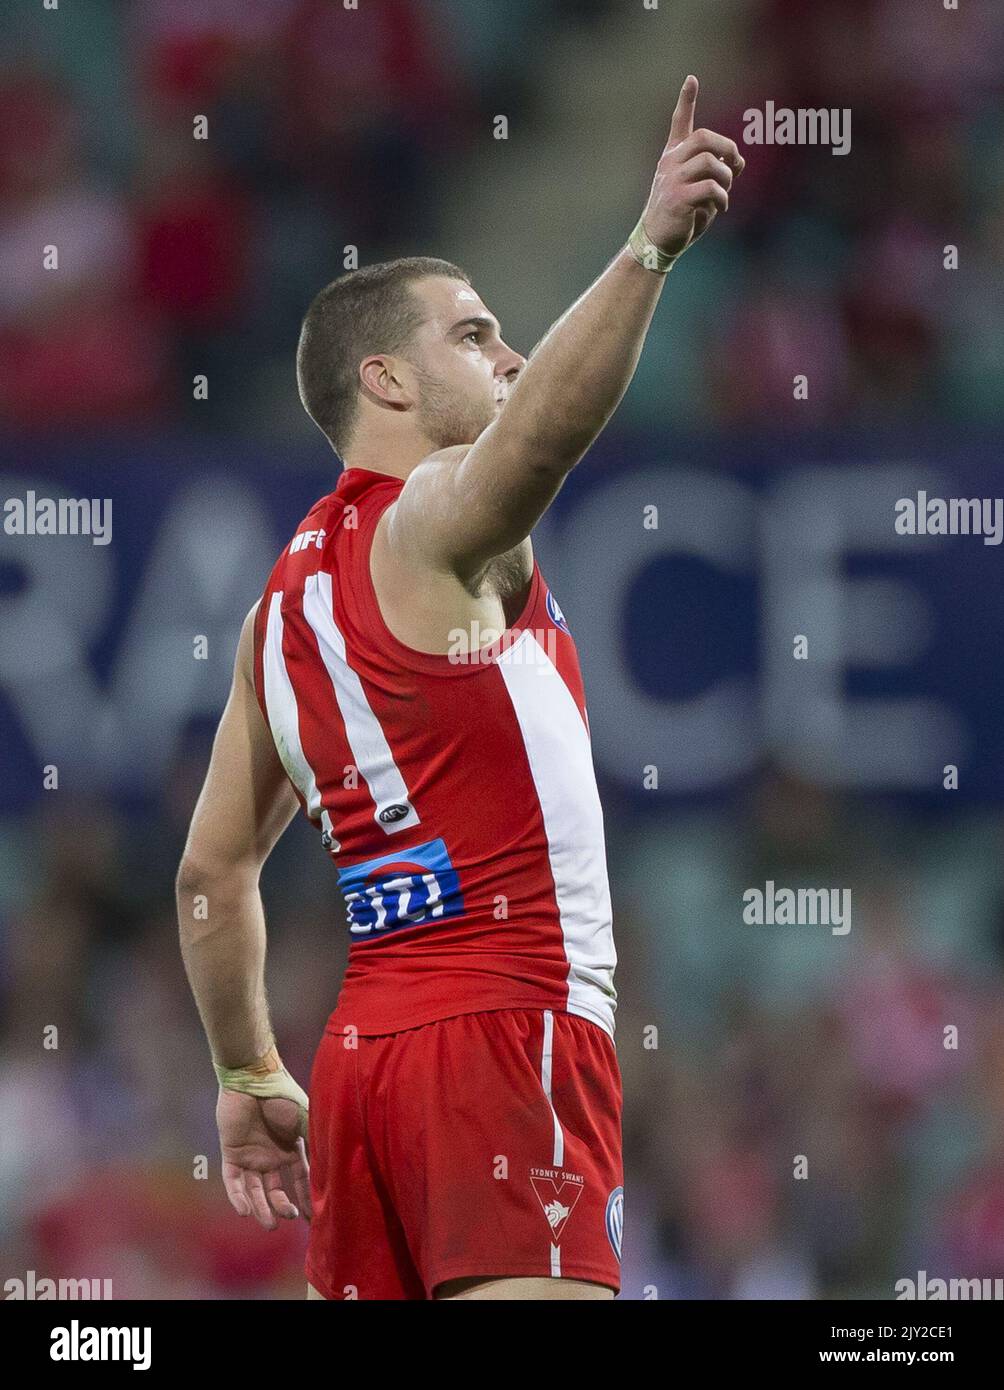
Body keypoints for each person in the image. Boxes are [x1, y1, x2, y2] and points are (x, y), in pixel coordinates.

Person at [177, 75, 743, 1301]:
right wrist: (648, 250)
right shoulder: (430, 518)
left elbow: (209, 874)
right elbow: (536, 441)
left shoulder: (276, 615)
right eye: (474, 333)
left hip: (360, 1065)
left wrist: (245, 1075)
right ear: (384, 381)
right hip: (506, 1027)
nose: (509, 353)